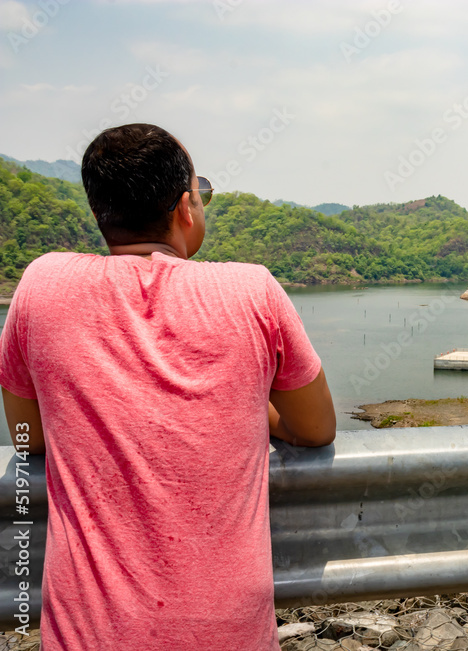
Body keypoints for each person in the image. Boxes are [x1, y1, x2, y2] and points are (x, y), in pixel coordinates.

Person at [0, 123, 336, 650]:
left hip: (89, 637)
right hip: (229, 636)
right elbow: (315, 428)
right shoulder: (252, 290)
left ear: (98, 214)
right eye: (201, 194)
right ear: (186, 208)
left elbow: (28, 438)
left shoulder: (42, 286)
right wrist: (249, 409)